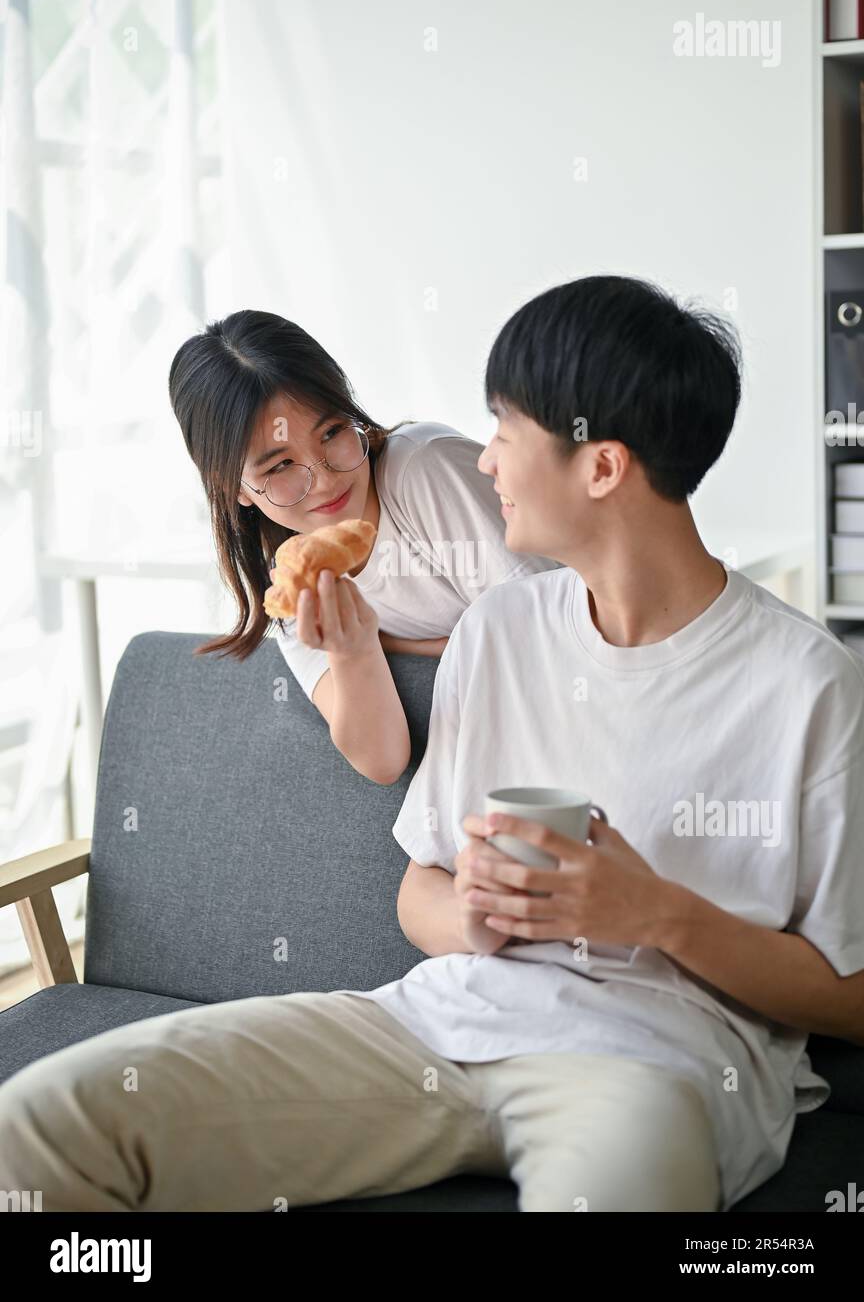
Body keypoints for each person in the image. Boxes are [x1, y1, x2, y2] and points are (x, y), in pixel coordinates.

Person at [1, 275, 862, 1213]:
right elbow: (420, 888)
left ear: (601, 467)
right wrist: (481, 920)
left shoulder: (809, 685)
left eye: (503, 430)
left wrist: (649, 913)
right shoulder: (499, 635)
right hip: (431, 1023)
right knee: (40, 1130)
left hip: (652, 1061)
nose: (482, 460)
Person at [167, 310, 561, 784]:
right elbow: (382, 760)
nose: (325, 478)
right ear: (236, 490)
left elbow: (556, 634)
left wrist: (400, 643)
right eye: (279, 467)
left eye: (332, 432)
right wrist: (353, 650)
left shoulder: (422, 470)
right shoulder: (294, 590)